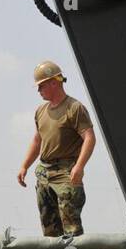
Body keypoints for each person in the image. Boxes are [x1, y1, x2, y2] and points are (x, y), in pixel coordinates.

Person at [15, 60, 95, 238]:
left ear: (54, 82)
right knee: (49, 228)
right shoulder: (40, 111)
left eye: (41, 86)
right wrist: (24, 166)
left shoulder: (74, 108)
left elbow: (89, 138)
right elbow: (37, 140)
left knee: (71, 228)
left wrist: (79, 167)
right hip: (44, 172)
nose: (39, 91)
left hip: (66, 172)